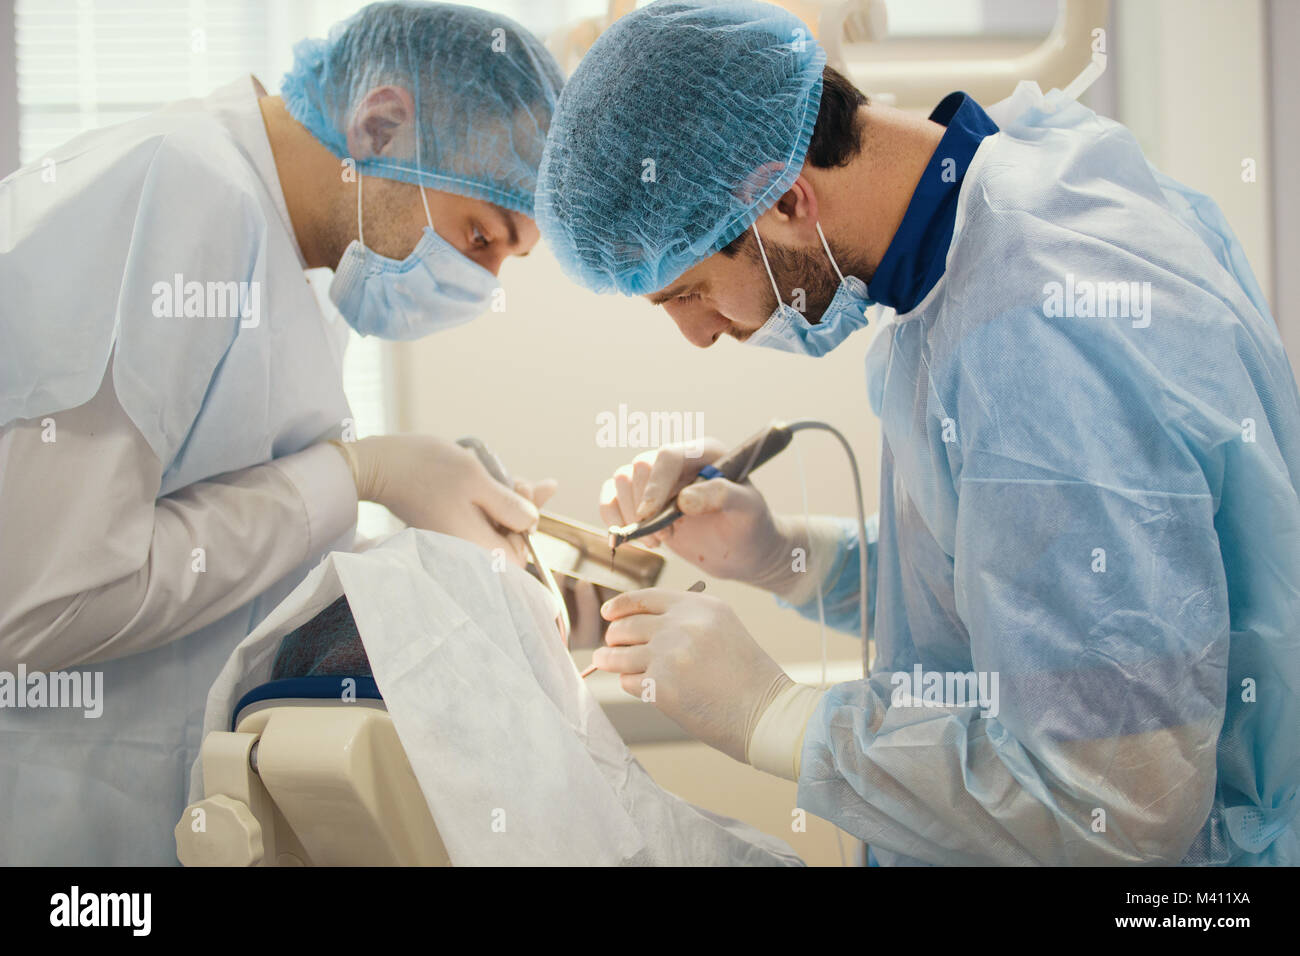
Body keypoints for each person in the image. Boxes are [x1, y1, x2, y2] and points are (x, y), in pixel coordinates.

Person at [535, 0, 1300, 864]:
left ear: (787, 199)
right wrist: (779, 552)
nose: (700, 334)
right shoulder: (993, 208)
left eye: (689, 293)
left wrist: (776, 716)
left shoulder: (1039, 331)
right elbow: (1010, 590)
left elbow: (1119, 799)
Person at [0, 1, 563, 865]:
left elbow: (233, 548)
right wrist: (360, 472)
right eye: (480, 235)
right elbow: (45, 599)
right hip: (57, 819)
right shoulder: (180, 188)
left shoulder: (305, 259)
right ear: (379, 123)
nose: (480, 282)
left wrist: (429, 553)